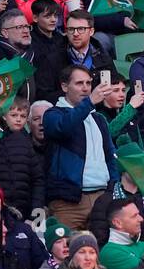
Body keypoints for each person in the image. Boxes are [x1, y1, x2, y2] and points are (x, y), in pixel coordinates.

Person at [43, 65, 120, 230]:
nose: (85, 88)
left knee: (100, 253)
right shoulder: (53, 114)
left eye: (88, 83)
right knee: (66, 252)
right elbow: (64, 127)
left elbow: (110, 156)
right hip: (68, 202)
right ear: (64, 86)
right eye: (79, 83)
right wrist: (90, 102)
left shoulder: (99, 119)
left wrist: (112, 188)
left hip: (101, 197)